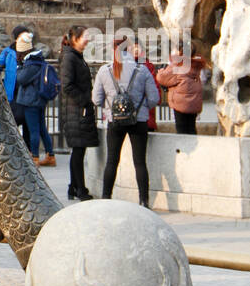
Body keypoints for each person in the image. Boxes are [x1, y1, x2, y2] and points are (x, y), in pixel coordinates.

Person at [93, 41, 161, 206]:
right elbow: (154, 98)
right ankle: (144, 200)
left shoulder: (104, 70)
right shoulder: (142, 70)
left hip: (115, 121)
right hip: (138, 121)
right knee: (139, 162)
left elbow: (96, 99)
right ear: (130, 49)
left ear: (112, 50)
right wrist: (141, 109)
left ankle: (106, 198)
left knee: (111, 161)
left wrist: (110, 109)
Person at [59, 26, 97, 200]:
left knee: (79, 149)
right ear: (75, 39)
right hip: (76, 111)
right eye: (84, 37)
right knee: (78, 150)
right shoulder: (69, 58)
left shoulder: (76, 57)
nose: (87, 39)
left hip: (78, 110)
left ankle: (73, 187)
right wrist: (84, 100)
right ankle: (80, 189)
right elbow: (67, 85)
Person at [13, 32, 56, 166]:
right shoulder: (38, 60)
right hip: (39, 100)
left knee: (34, 130)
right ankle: (50, 154)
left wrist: (18, 67)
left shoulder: (31, 64)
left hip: (31, 101)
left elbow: (21, 79)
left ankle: (35, 157)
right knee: (41, 128)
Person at [0, 25, 32, 152]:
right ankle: (13, 149)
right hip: (12, 92)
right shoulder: (8, 51)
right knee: (12, 121)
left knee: (28, 123)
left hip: (27, 92)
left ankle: (28, 150)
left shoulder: (31, 52)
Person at [156, 48, 205, 134]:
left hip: (180, 103)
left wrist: (161, 71)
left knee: (181, 129)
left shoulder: (179, 66)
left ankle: (185, 147)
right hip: (194, 102)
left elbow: (162, 78)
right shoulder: (195, 64)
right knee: (191, 127)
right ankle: (192, 144)